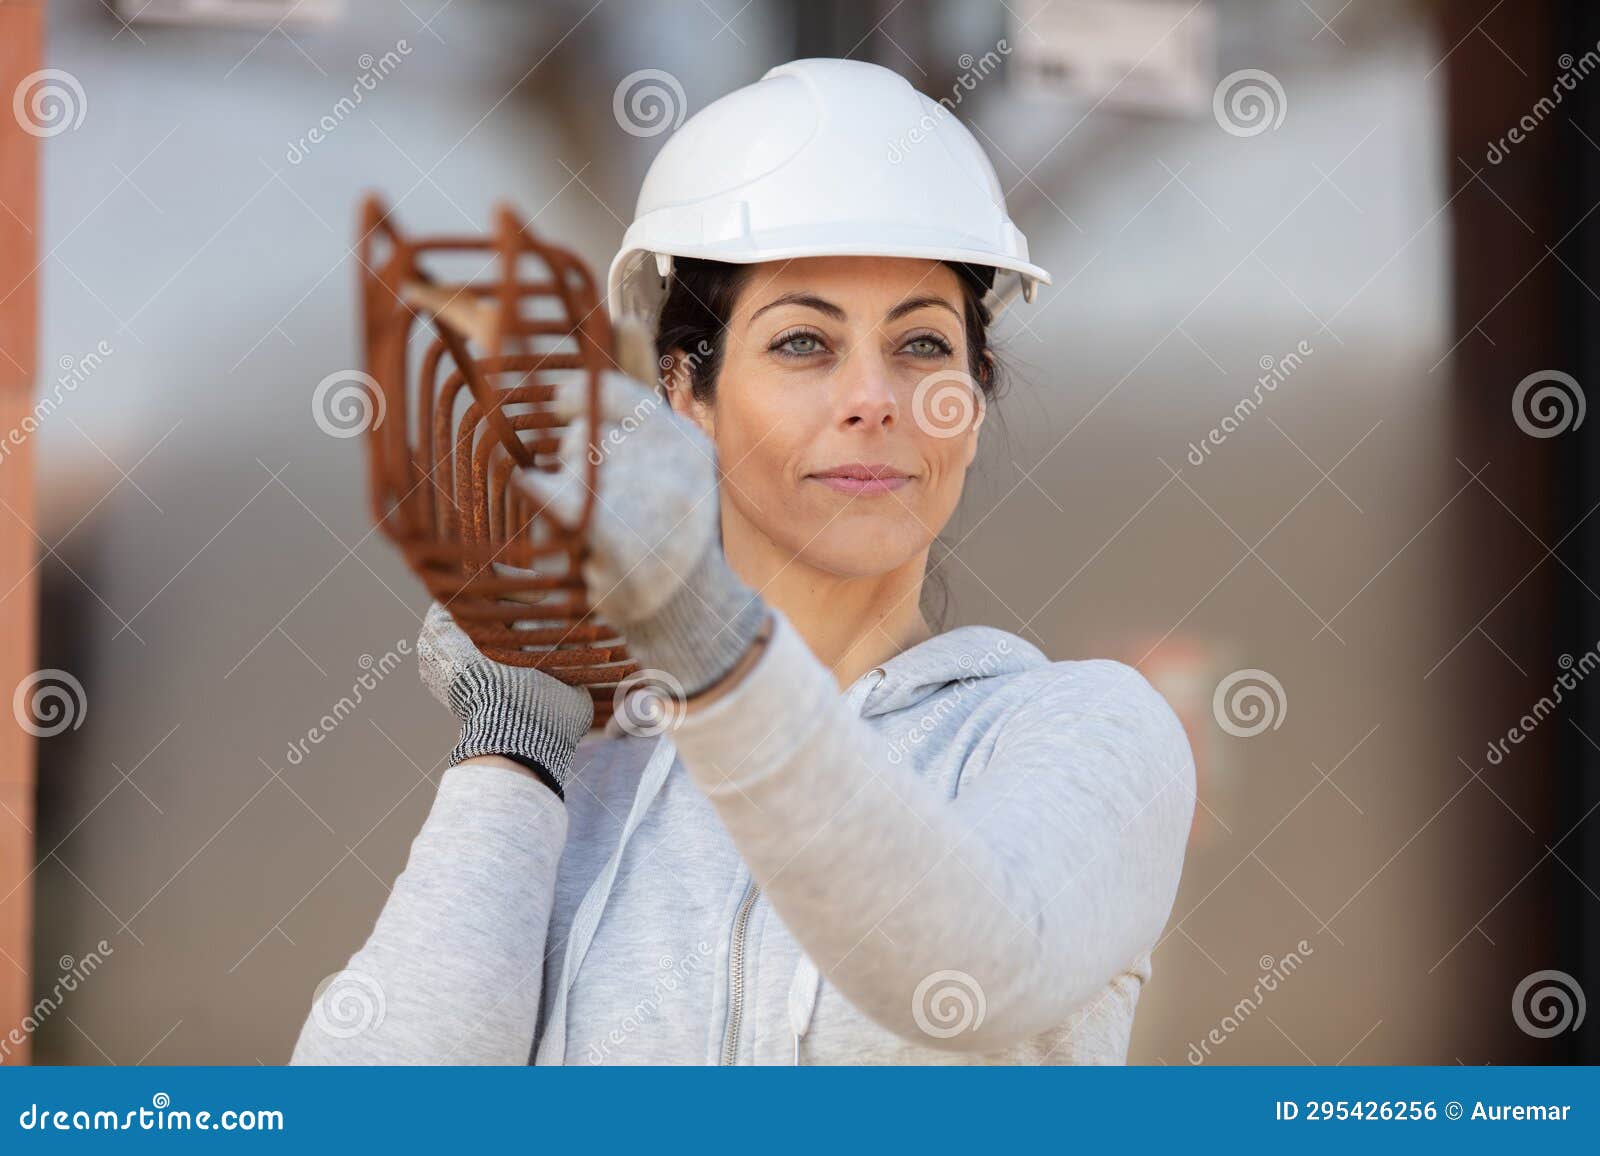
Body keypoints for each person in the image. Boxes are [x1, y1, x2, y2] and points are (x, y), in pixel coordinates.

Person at [291, 57, 1195, 1066]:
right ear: (686, 394)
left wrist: (702, 631)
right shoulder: (581, 785)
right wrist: (516, 741)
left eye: (923, 346)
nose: (874, 399)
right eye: (804, 342)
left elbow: (970, 973)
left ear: (973, 402)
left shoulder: (1079, 731)